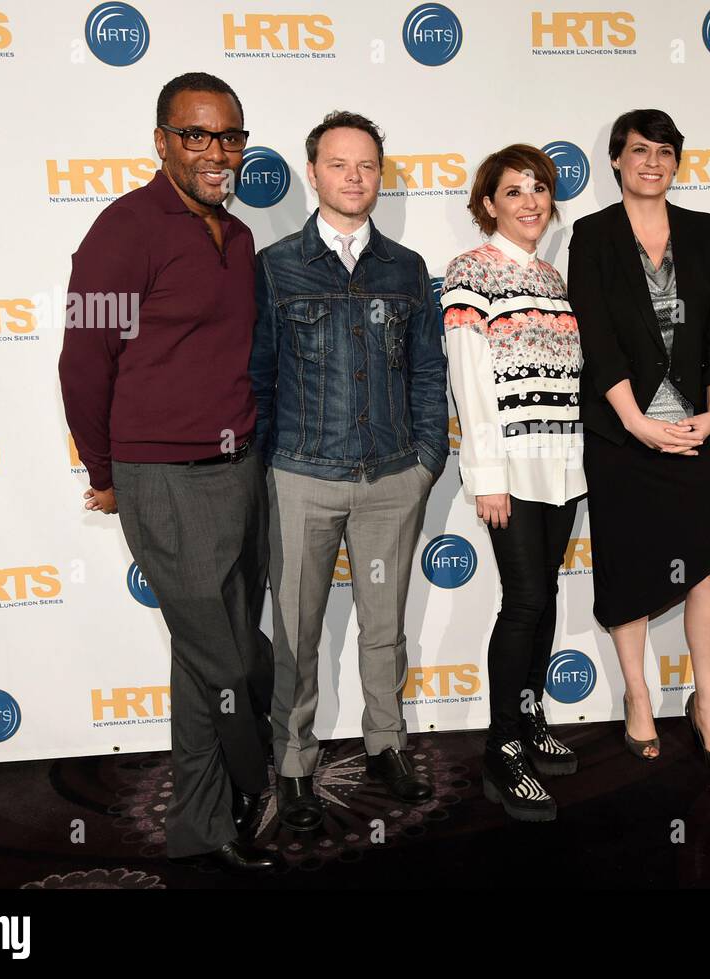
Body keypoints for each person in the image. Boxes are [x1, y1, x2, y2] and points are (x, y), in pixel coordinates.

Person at [59, 73, 277, 873]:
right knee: (229, 657)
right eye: (197, 135)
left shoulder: (241, 235)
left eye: (230, 137)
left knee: (203, 661)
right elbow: (82, 361)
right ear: (162, 141)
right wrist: (105, 471)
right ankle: (261, 785)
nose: (216, 152)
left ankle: (200, 824)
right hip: (160, 475)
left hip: (238, 469)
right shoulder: (122, 230)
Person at [250, 111, 449, 830]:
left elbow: (429, 371)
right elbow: (258, 379)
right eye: (339, 165)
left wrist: (427, 461)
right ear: (313, 173)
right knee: (297, 631)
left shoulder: (406, 268)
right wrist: (269, 470)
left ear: (379, 175)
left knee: (383, 627)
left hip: (393, 479)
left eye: (366, 165)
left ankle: (385, 744)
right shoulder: (275, 267)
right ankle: (295, 762)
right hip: (300, 477)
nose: (354, 178)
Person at [567, 109, 710, 772]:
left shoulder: (706, 232)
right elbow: (597, 336)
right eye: (639, 151)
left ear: (677, 162)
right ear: (616, 159)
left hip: (701, 431)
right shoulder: (592, 235)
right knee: (630, 564)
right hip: (624, 435)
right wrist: (637, 422)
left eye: (665, 152)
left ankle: (709, 705)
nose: (652, 162)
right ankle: (639, 698)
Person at [441, 145, 587, 821]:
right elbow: (468, 383)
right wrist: (487, 476)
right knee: (524, 596)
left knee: (546, 593)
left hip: (563, 464)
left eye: (539, 189)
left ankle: (530, 715)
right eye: (514, 191)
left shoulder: (554, 279)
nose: (530, 201)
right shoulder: (471, 272)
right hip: (511, 469)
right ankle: (500, 749)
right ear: (489, 204)